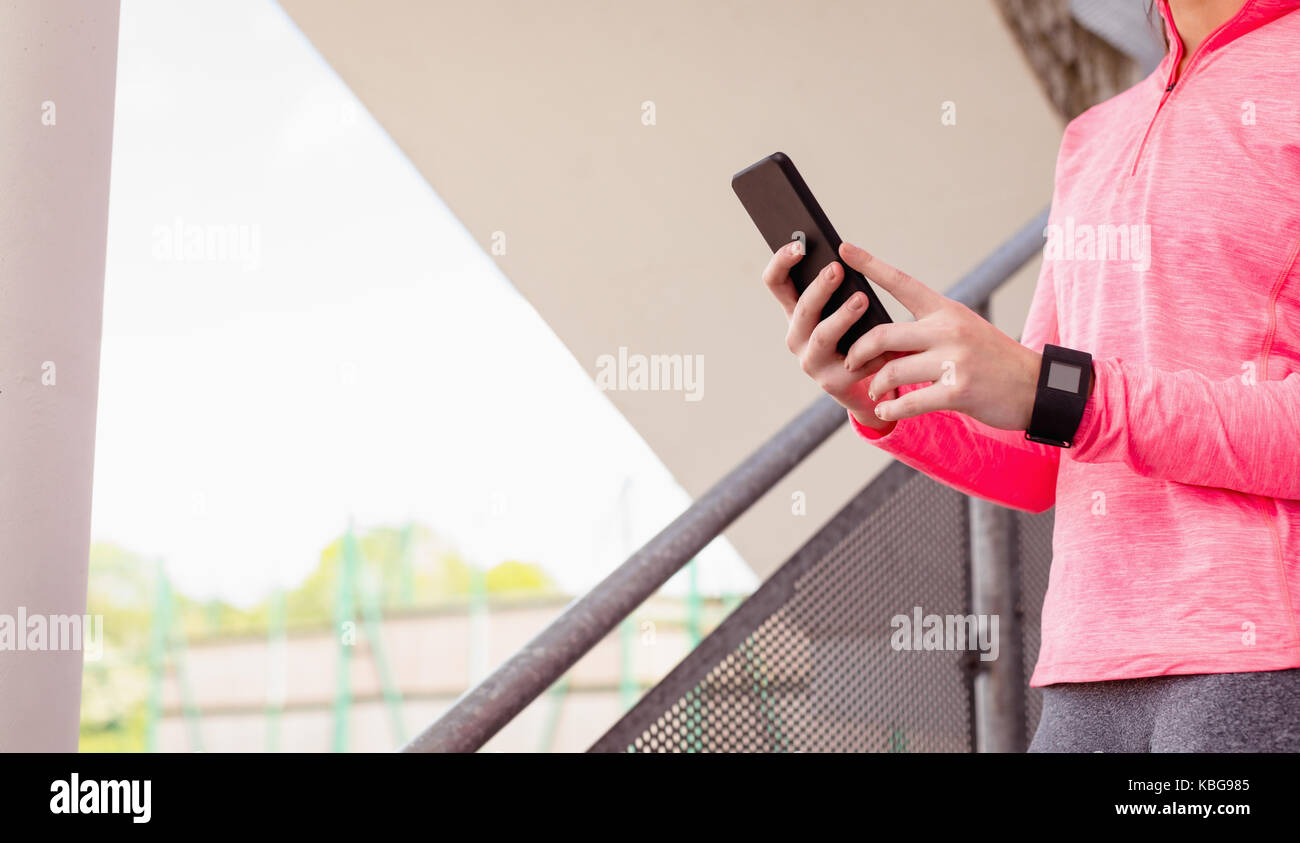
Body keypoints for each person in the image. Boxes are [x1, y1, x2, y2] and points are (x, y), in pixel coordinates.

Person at [762, 0, 1300, 751]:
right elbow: (1044, 455)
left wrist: (1057, 390)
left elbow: (1068, 400)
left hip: (1260, 663)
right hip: (1086, 670)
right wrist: (884, 396)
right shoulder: (1094, 137)